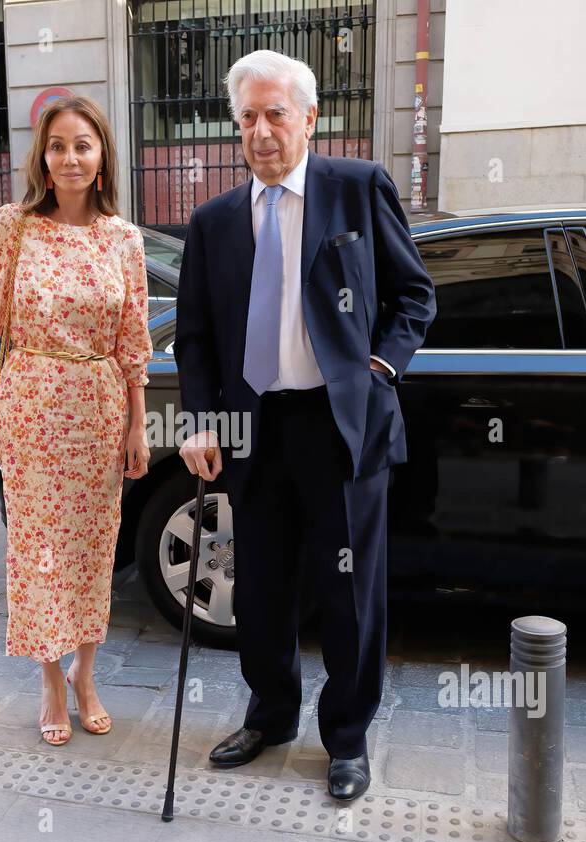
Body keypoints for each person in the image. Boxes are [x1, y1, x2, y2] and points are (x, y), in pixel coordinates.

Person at [174, 49, 437, 801]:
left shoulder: (357, 190)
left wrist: (379, 370)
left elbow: (414, 298)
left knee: (349, 589)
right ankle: (271, 714)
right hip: (253, 426)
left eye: (275, 114)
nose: (261, 131)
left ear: (309, 117)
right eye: (248, 117)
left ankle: (347, 737)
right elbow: (194, 337)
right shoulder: (214, 221)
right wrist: (199, 420)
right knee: (258, 586)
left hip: (339, 425)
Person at [0, 95, 152, 747]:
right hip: (32, 404)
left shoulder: (124, 238)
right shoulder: (14, 225)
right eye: (58, 144)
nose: (70, 156)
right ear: (43, 156)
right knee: (37, 553)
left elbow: (132, 339)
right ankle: (47, 679)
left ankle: (85, 675)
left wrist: (137, 424)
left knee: (95, 548)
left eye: (83, 144)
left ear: (102, 159)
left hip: (99, 406)